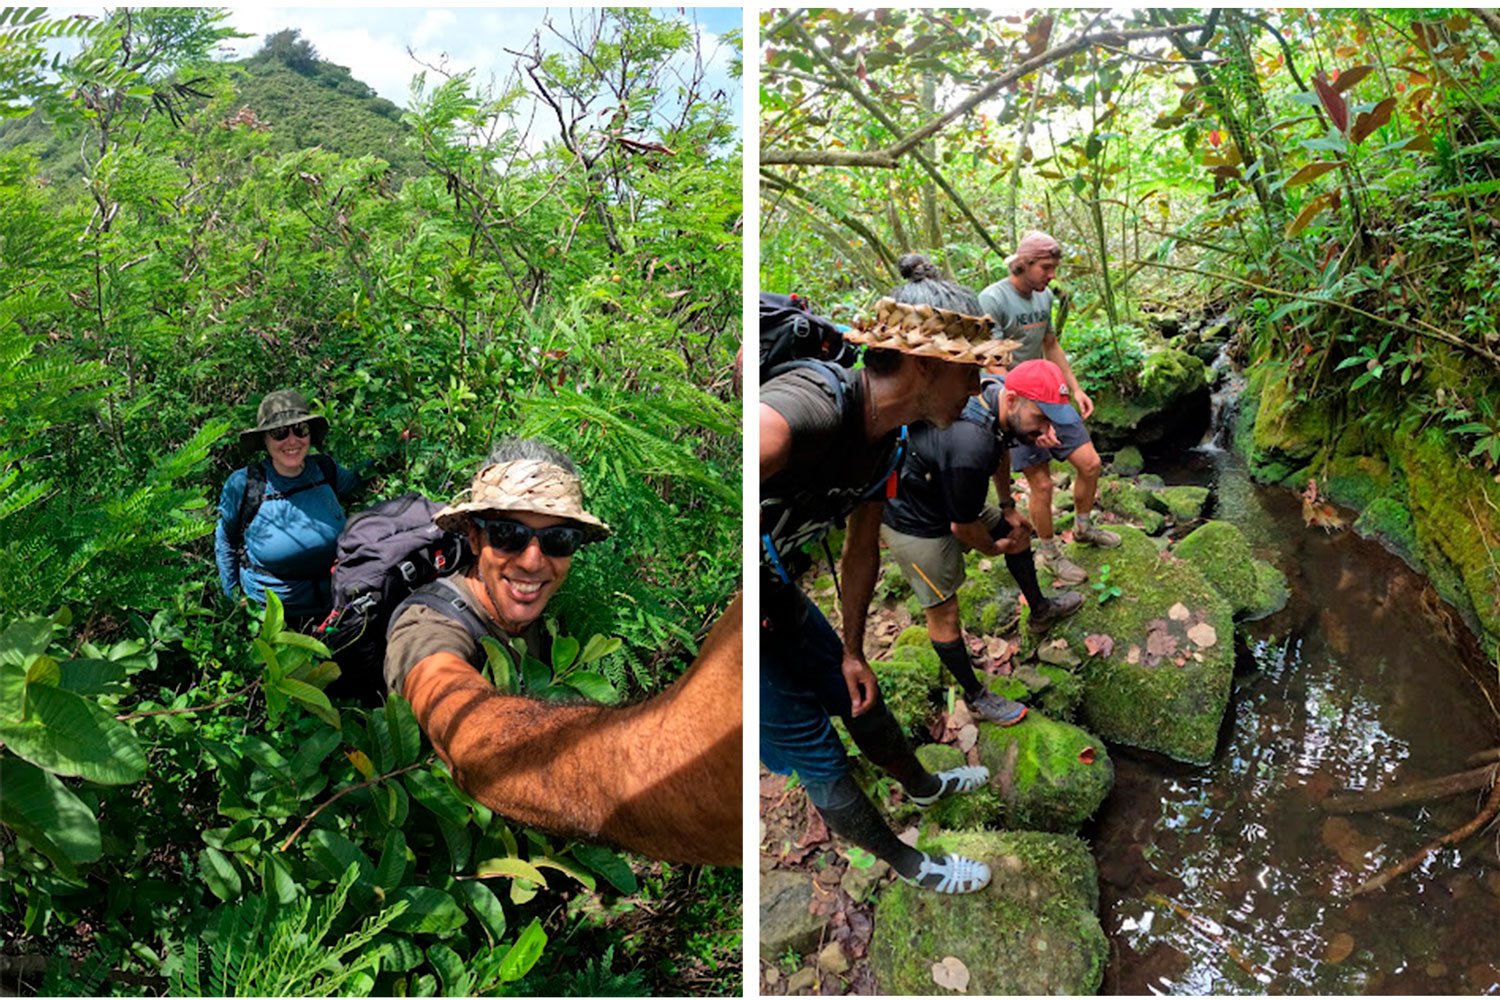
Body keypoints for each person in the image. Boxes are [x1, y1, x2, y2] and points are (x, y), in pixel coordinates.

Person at [760, 255, 1015, 895]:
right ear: (926, 366)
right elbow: (756, 437)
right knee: (820, 754)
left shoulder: (891, 438)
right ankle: (909, 864)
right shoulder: (814, 403)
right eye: (971, 369)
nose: (979, 385)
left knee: (860, 696)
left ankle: (924, 787)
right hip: (741, 628)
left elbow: (861, 548)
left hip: (784, 601)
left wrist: (850, 648)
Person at [384, 438, 740, 868]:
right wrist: (630, 768)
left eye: (558, 540)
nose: (534, 560)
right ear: (476, 538)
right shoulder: (425, 627)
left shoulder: (545, 613)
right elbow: (458, 719)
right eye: (508, 535)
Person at [880, 359, 1086, 725]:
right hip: (913, 517)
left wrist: (1007, 506)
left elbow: (1002, 449)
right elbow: (963, 527)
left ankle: (1040, 611)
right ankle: (975, 697)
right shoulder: (970, 442)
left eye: (1052, 419)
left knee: (1019, 534)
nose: (1047, 427)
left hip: (945, 485)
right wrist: (993, 549)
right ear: (1012, 400)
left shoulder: (993, 396)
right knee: (944, 612)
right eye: (1041, 417)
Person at [978, 231, 1120, 585]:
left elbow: (1050, 343)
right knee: (1041, 485)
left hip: (1048, 390)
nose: (1051, 275)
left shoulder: (1042, 299)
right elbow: (992, 362)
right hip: (1014, 401)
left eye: (1054, 267)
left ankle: (1084, 528)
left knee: (1091, 464)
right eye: (1046, 267)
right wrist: (1035, 420)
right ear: (1023, 264)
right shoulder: (993, 299)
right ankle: (1050, 553)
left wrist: (1075, 387)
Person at [215, 390, 361, 625]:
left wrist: (396, 447)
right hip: (273, 618)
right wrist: (233, 600)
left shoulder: (324, 469)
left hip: (334, 607)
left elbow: (357, 479)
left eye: (300, 430)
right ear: (265, 440)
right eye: (279, 433)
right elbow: (225, 542)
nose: (292, 440)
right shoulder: (245, 484)